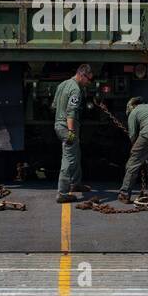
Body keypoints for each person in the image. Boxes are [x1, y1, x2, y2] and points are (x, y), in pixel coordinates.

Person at [53, 64, 93, 203]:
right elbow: (71, 112)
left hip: (59, 124)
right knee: (69, 158)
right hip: (67, 127)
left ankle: (75, 184)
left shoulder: (63, 84)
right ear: (82, 75)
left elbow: (54, 106)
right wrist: (70, 131)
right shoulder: (75, 90)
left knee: (76, 153)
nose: (89, 82)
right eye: (88, 79)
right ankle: (62, 193)